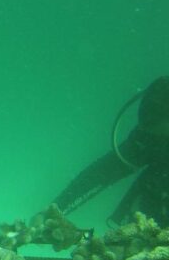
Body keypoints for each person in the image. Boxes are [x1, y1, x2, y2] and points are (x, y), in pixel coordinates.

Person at [52, 76, 169, 226]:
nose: (153, 138)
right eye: (150, 132)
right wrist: (55, 210)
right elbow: (103, 172)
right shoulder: (151, 140)